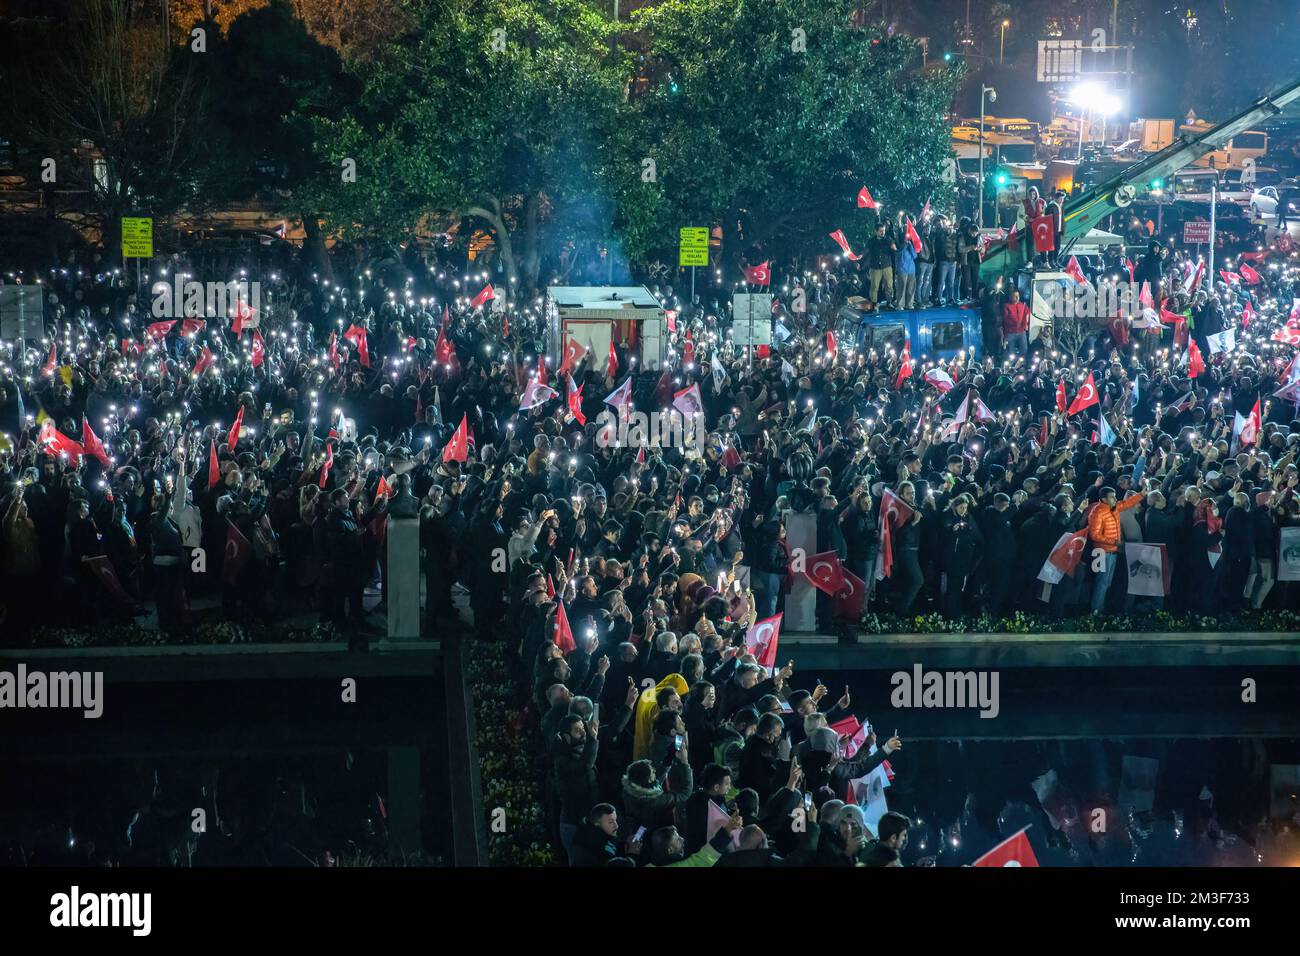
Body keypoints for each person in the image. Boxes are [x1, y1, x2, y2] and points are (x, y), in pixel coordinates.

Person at [1086, 486, 1143, 615]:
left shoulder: (1114, 508)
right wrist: (1115, 542)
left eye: (1115, 496)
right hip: (1102, 552)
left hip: (1112, 552)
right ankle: (1095, 611)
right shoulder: (1097, 512)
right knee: (1102, 582)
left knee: (1107, 583)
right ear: (1104, 499)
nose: (1116, 499)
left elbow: (1128, 503)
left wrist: (1142, 494)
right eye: (1112, 497)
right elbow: (1094, 535)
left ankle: (1101, 608)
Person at [867, 223, 897, 308]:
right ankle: (874, 304)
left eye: (883, 230)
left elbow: (893, 245)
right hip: (875, 267)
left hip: (887, 265)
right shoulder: (872, 241)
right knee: (874, 286)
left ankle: (889, 302)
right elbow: (866, 249)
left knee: (889, 285)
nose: (882, 232)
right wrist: (861, 255)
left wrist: (893, 247)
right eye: (880, 231)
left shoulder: (887, 239)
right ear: (876, 231)